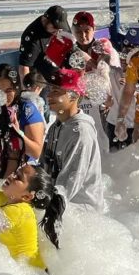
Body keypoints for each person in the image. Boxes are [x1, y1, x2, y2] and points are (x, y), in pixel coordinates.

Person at [0, 164, 65, 270]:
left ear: (26, 196)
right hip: (17, 267)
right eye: (15, 172)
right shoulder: (6, 197)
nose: (11, 175)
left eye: (18, 177)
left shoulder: (19, 211)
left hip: (31, 272)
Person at [42, 69, 105, 210]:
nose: (49, 96)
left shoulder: (80, 132)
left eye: (56, 91)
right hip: (60, 200)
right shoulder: (55, 126)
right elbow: (45, 167)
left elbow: (72, 180)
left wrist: (47, 205)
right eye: (50, 90)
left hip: (81, 208)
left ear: (74, 95)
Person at [0, 63, 46, 162]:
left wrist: (18, 133)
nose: (3, 96)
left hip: (23, 165)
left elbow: (36, 153)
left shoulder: (27, 109)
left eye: (8, 90)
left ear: (16, 89)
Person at [18, 4, 70, 81]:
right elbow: (24, 67)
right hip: (42, 71)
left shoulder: (59, 26)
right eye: (55, 27)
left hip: (58, 59)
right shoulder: (33, 37)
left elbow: (73, 44)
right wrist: (26, 86)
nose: (58, 31)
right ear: (45, 20)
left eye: (61, 28)